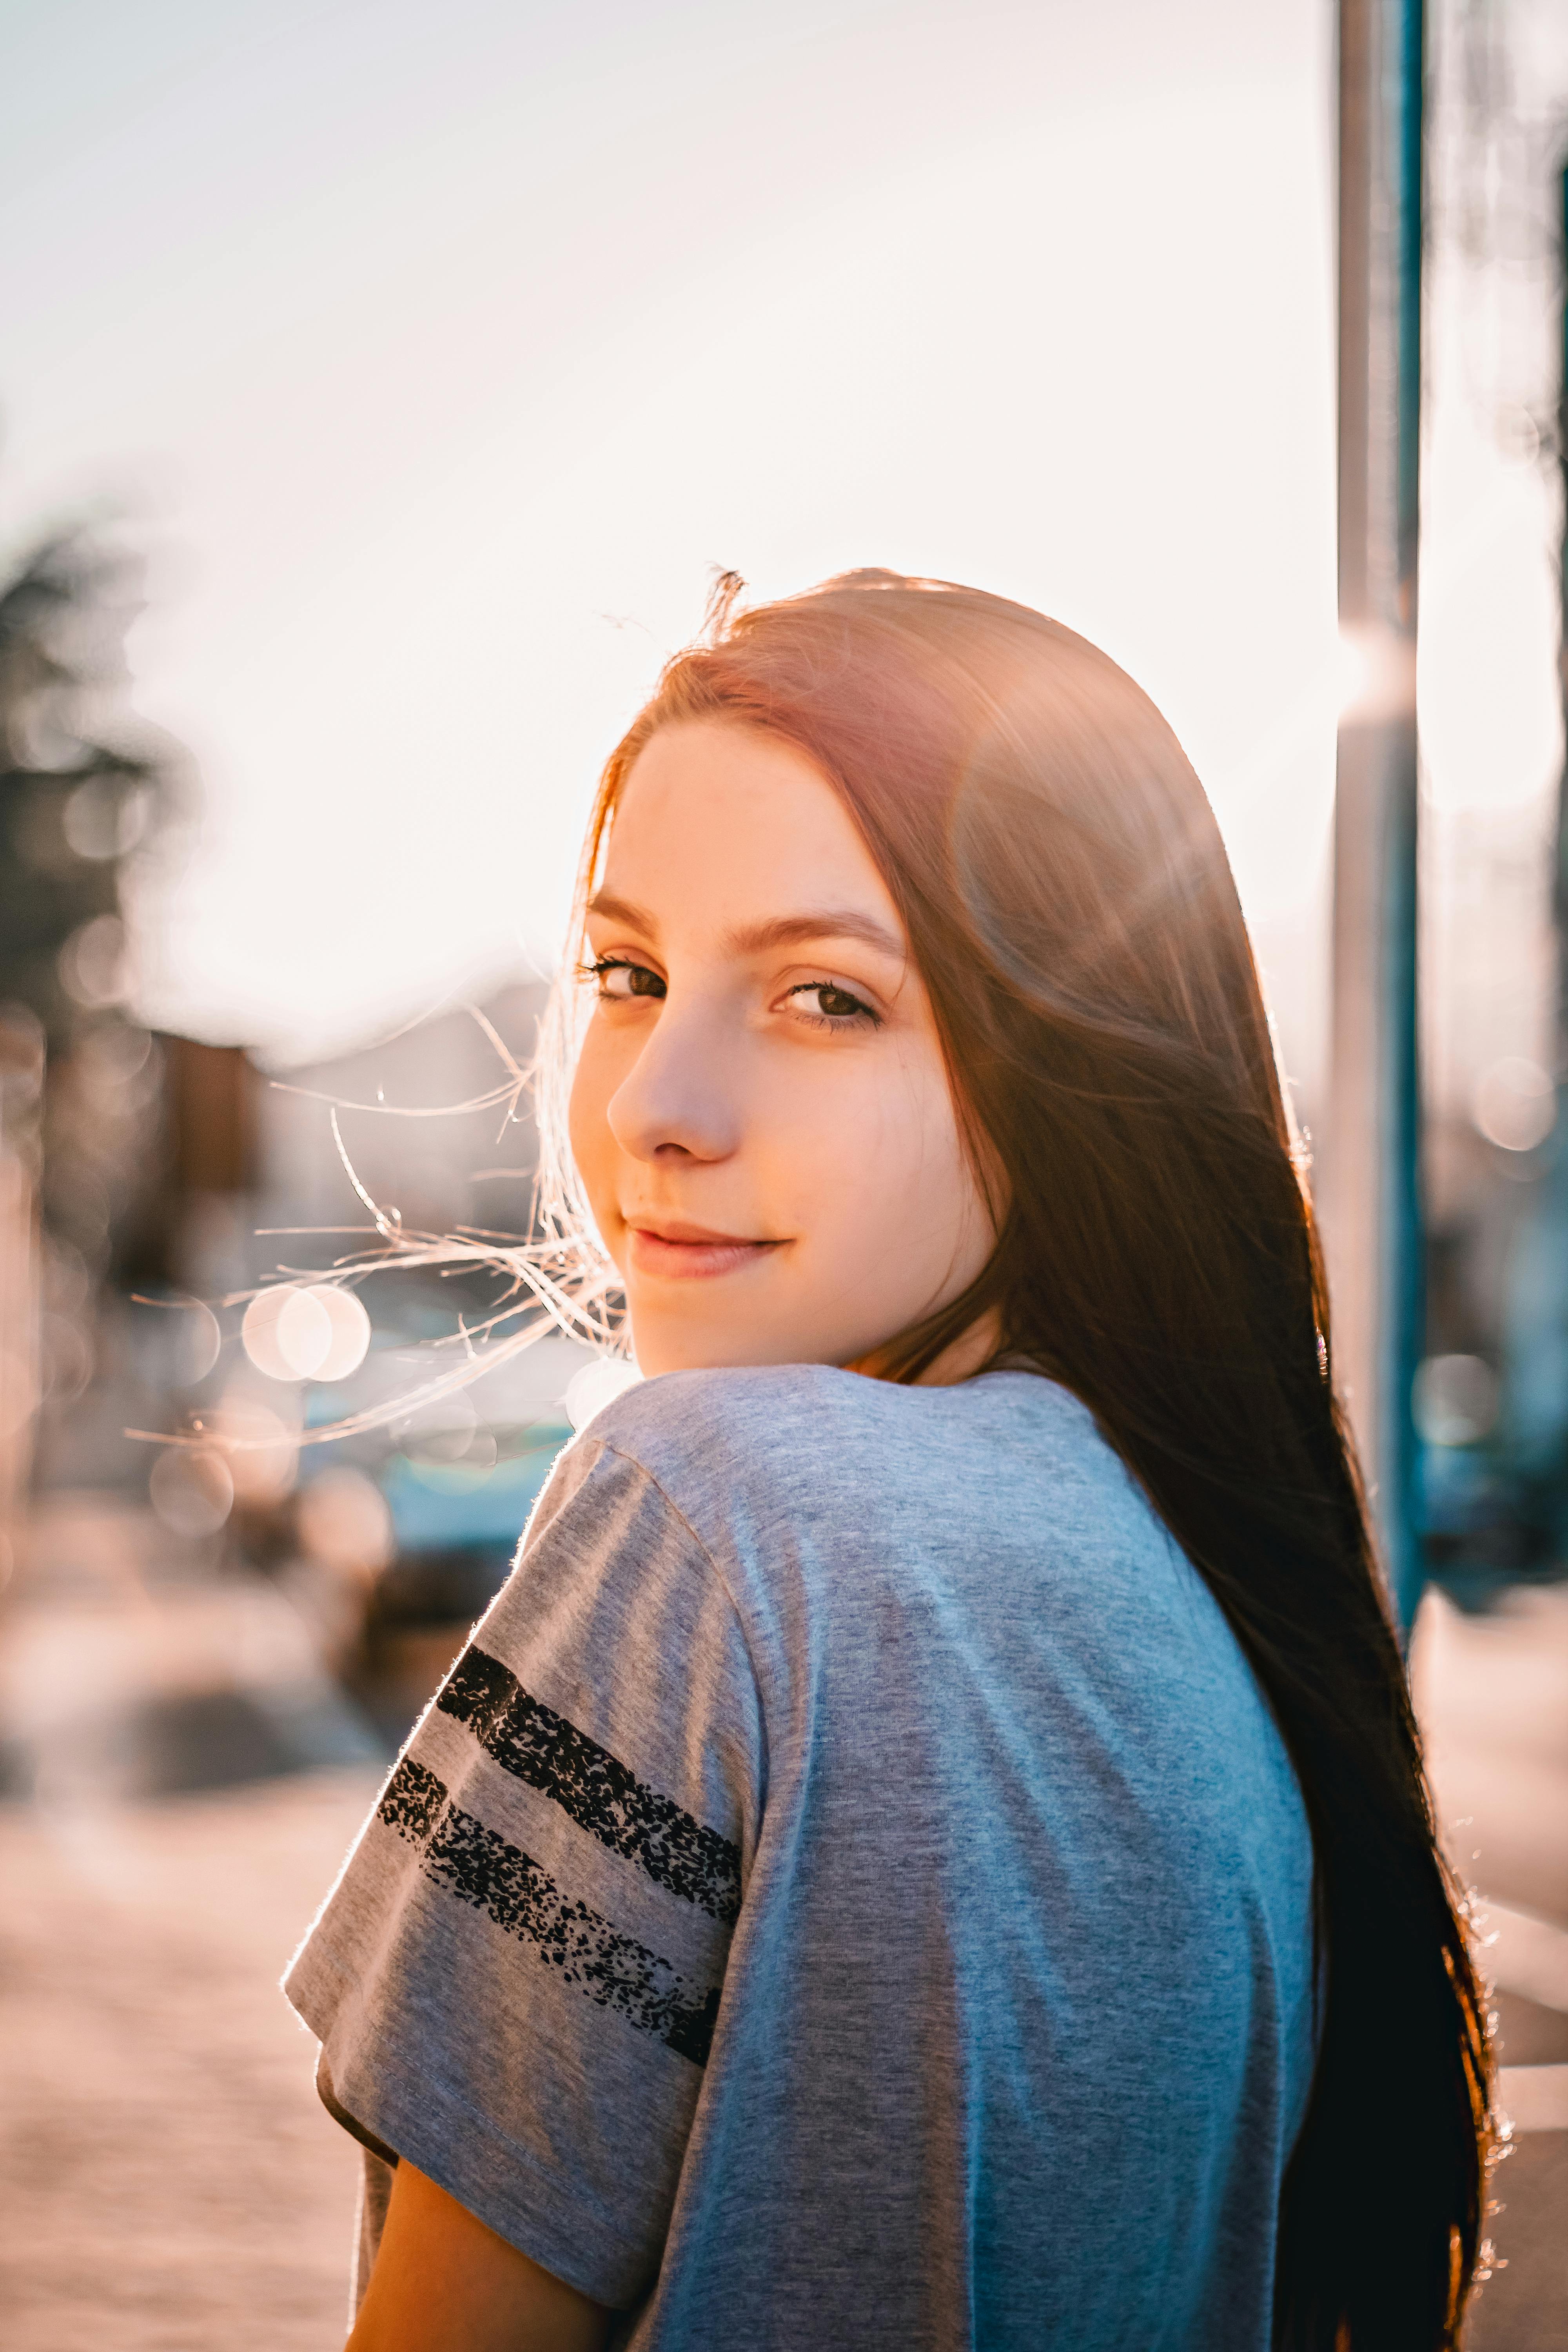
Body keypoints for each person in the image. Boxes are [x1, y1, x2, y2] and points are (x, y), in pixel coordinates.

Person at [285, 571, 1490, 2351]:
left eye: (826, 1000)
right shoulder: (1235, 1618)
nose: (646, 1105)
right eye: (628, 975)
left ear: (1068, 1068)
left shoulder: (709, 1511)